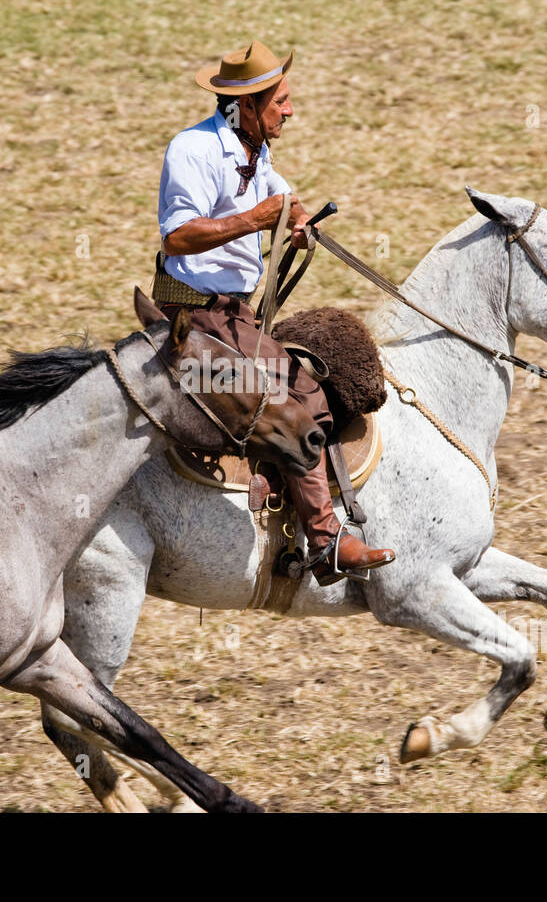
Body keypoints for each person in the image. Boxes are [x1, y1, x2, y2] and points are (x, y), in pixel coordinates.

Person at [153, 40, 396, 580]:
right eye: (281, 101)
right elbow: (177, 238)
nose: (290, 110)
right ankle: (325, 538)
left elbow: (280, 198)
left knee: (311, 387)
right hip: (195, 315)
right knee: (290, 402)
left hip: (234, 312)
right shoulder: (191, 151)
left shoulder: (254, 148)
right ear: (246, 106)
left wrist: (297, 218)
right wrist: (257, 219)